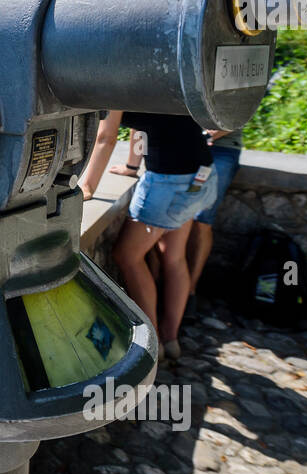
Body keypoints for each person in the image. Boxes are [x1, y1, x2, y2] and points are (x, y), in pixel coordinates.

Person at [79, 112, 218, 362]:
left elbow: (106, 138)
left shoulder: (109, 76)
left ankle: (153, 345)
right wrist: (132, 166)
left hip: (170, 182)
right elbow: (141, 126)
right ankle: (171, 338)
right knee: (174, 258)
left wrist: (87, 186)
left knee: (128, 256)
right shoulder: (153, 73)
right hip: (201, 173)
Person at [185, 127, 243, 319]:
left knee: (202, 219)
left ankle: (189, 292)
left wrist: (202, 136)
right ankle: (171, 287)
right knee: (173, 220)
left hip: (221, 148)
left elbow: (236, 116)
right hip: (183, 144)